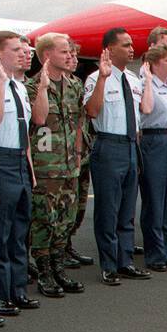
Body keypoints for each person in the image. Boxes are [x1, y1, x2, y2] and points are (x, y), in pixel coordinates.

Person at [84, 28, 150, 285]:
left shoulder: (133, 80)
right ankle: (109, 264)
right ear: (109, 50)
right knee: (108, 209)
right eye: (125, 45)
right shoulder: (95, 78)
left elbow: (141, 113)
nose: (131, 49)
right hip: (108, 146)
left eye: (131, 44)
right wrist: (102, 78)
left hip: (131, 145)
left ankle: (126, 260)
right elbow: (91, 110)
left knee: (127, 209)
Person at [0, 31, 39, 313]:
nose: (23, 53)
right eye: (15, 49)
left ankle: (18, 289)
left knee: (20, 230)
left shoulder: (20, 87)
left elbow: (26, 131)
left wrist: (30, 168)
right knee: (0, 232)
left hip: (19, 160)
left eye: (23, 49)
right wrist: (1, 83)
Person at [27, 33, 85, 298]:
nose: (70, 55)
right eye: (64, 52)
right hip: (44, 167)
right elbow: (36, 122)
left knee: (65, 220)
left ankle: (59, 268)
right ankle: (44, 272)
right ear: (47, 55)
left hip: (69, 166)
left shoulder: (74, 86)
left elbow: (79, 123)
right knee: (44, 222)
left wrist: (76, 154)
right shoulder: (31, 86)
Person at [137, 42, 167, 271]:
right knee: (155, 198)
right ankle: (155, 253)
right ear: (153, 65)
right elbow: (146, 109)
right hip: (154, 139)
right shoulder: (147, 85)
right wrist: (147, 79)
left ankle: (166, 249)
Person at [65, 41, 95, 268]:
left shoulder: (76, 84)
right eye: (68, 54)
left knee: (77, 207)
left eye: (76, 55)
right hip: (56, 159)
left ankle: (66, 246)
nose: (74, 59)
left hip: (81, 153)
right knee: (56, 212)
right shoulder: (39, 85)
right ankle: (50, 256)